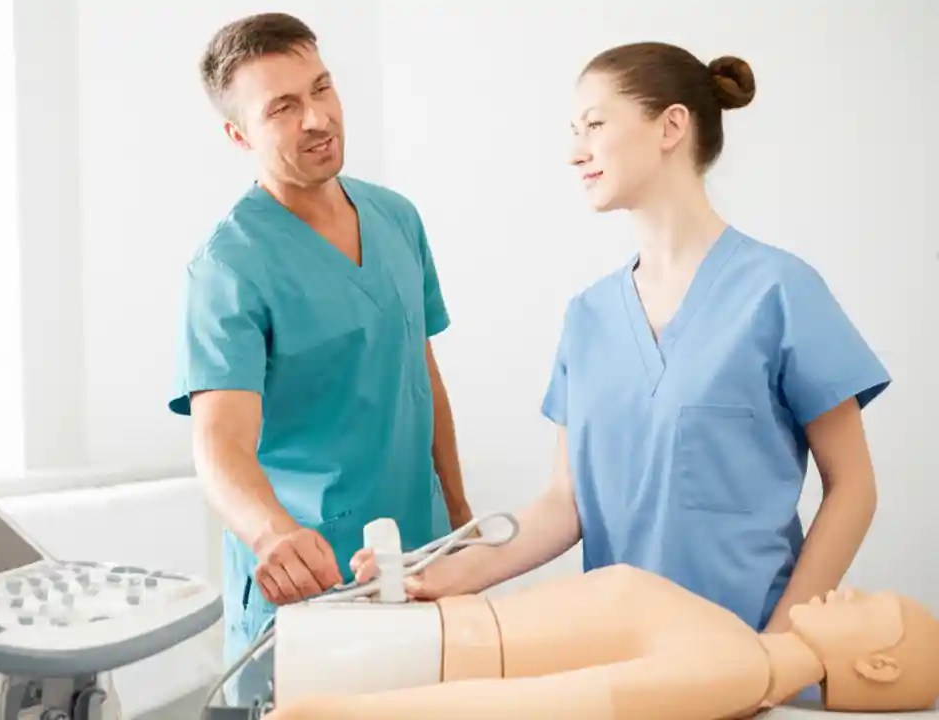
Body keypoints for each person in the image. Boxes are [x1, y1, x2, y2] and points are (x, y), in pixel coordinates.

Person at [354, 42, 890, 637]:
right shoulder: (589, 316)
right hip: (621, 659)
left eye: (594, 125)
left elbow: (853, 487)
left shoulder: (780, 291)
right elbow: (564, 505)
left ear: (671, 126)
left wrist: (780, 647)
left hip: (751, 651)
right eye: (572, 130)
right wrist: (437, 573)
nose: (574, 151)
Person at [169, 12, 474, 671]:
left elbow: (420, 373)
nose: (315, 118)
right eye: (282, 106)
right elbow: (219, 443)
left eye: (322, 89)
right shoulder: (229, 267)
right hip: (308, 582)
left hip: (418, 562)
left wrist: (460, 521)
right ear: (238, 133)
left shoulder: (397, 218)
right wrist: (272, 536)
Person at [263, 564, 939, 719]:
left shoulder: (732, 667)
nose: (853, 591)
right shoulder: (739, 649)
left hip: (394, 667)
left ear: (878, 666)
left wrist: (347, 714)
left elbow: (543, 706)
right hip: (419, 637)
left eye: (876, 607)